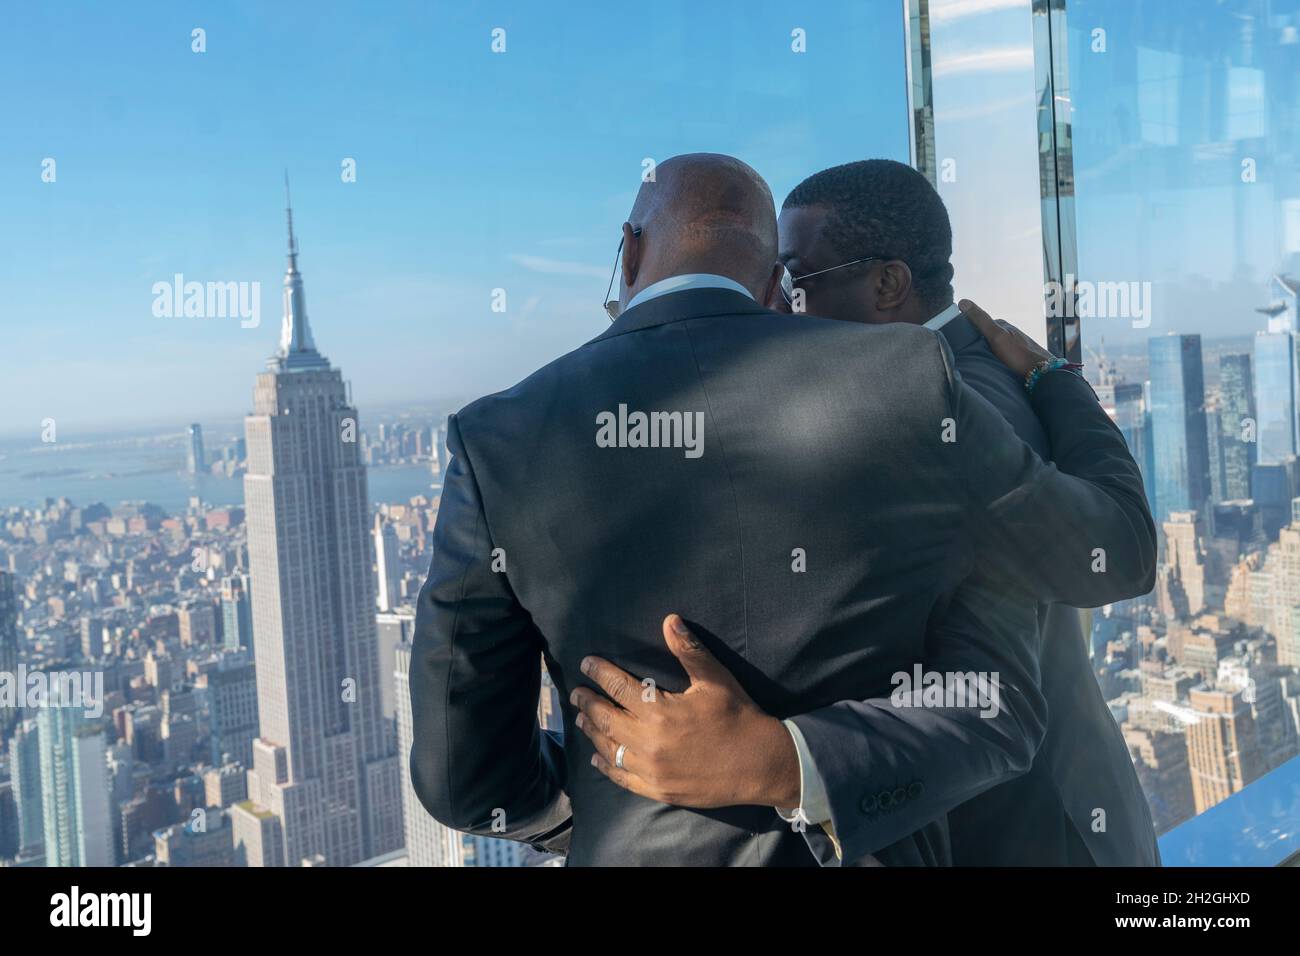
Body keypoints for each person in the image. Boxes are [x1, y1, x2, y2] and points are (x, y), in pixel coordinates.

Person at [410, 153, 1155, 866]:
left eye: (804, 282)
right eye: (789, 283)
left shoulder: (496, 437)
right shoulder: (904, 385)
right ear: (768, 280)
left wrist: (608, 789)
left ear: (628, 252)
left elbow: (463, 776)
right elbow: (1005, 684)